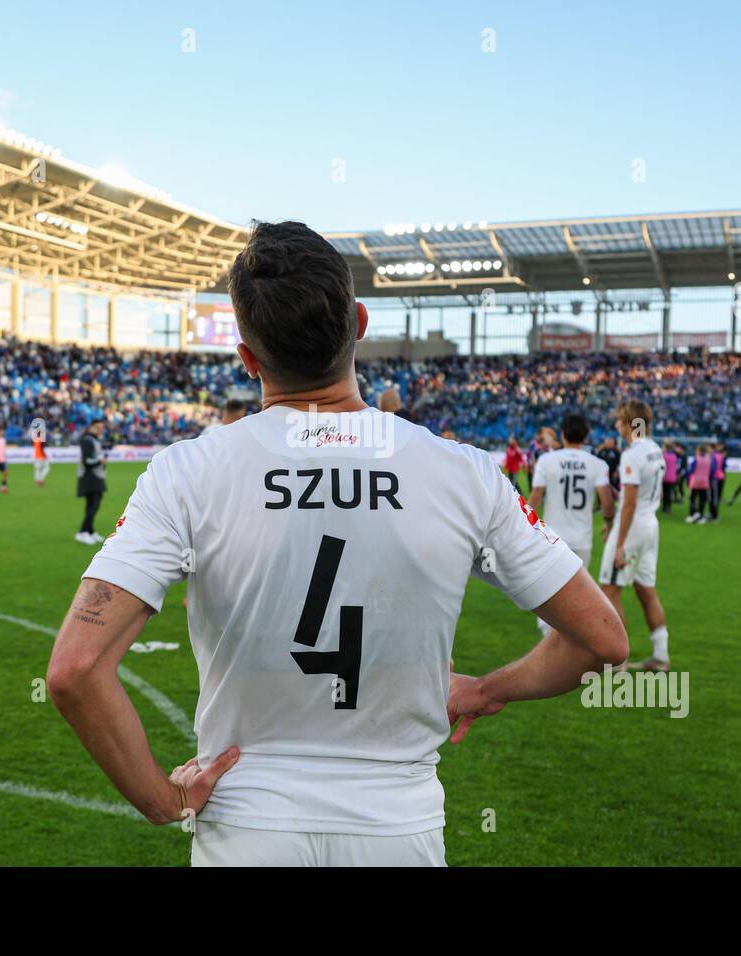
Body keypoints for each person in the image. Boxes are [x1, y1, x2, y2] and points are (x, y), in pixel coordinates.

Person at [45, 220, 628, 867]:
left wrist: (165, 801)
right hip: (396, 825)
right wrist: (487, 689)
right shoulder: (461, 472)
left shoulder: (188, 471)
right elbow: (602, 640)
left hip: (248, 824)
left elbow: (74, 670)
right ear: (359, 323)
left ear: (247, 356)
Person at [597, 400, 670, 673]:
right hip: (650, 524)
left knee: (610, 590)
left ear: (630, 424)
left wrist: (619, 543)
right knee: (646, 591)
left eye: (619, 421)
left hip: (634, 527)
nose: (617, 425)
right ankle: (661, 656)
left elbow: (629, 503)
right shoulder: (655, 449)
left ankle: (618, 662)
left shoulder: (632, 454)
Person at [528, 413, 613, 570]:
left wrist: (524, 526)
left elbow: (536, 495)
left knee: (549, 590)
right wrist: (609, 525)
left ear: (562, 434)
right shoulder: (598, 464)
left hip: (552, 537)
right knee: (577, 592)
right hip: (582, 539)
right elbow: (607, 502)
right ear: (586, 436)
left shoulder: (546, 461)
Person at [75, 419, 107, 544]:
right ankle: (82, 532)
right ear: (92, 427)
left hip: (95, 476)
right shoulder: (87, 440)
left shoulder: (92, 439)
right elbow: (87, 461)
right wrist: (100, 461)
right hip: (90, 476)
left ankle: (90, 531)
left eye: (101, 427)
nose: (100, 430)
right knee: (93, 504)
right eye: (98, 427)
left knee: (93, 504)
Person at [685, 443, 712, 524]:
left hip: (695, 482)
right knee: (702, 500)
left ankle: (692, 515)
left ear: (699, 451)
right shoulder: (709, 460)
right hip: (705, 482)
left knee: (693, 499)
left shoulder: (696, 459)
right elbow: (712, 471)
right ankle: (701, 516)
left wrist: (688, 481)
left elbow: (690, 471)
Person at [708, 443, 726, 522]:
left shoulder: (713, 456)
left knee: (713, 497)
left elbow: (713, 468)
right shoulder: (720, 455)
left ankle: (714, 516)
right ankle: (712, 514)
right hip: (720, 477)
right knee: (715, 497)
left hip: (715, 478)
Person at [661, 443, 679, 515]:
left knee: (665, 493)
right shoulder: (674, 456)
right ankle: (668, 507)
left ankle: (665, 507)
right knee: (669, 493)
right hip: (672, 477)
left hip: (665, 476)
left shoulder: (663, 456)